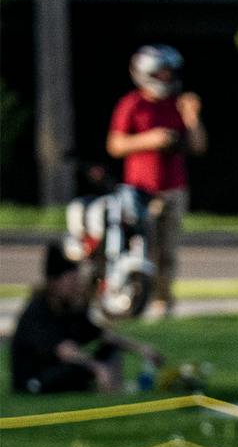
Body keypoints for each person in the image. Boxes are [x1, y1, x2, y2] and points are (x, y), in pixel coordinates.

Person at [104, 45, 206, 319]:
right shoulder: (132, 104)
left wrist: (192, 116)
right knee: (141, 247)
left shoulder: (177, 104)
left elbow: (198, 146)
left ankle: (164, 301)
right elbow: (114, 145)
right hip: (140, 189)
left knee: (168, 250)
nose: (166, 78)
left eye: (169, 73)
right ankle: (138, 299)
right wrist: (150, 140)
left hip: (174, 188)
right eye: (161, 73)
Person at [10, 242, 160, 395]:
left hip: (60, 367)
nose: (77, 286)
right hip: (36, 378)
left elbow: (102, 335)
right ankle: (105, 386)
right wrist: (98, 368)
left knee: (109, 349)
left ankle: (114, 388)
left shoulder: (70, 307)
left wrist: (141, 349)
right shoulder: (39, 311)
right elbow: (65, 351)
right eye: (72, 281)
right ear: (54, 283)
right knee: (77, 368)